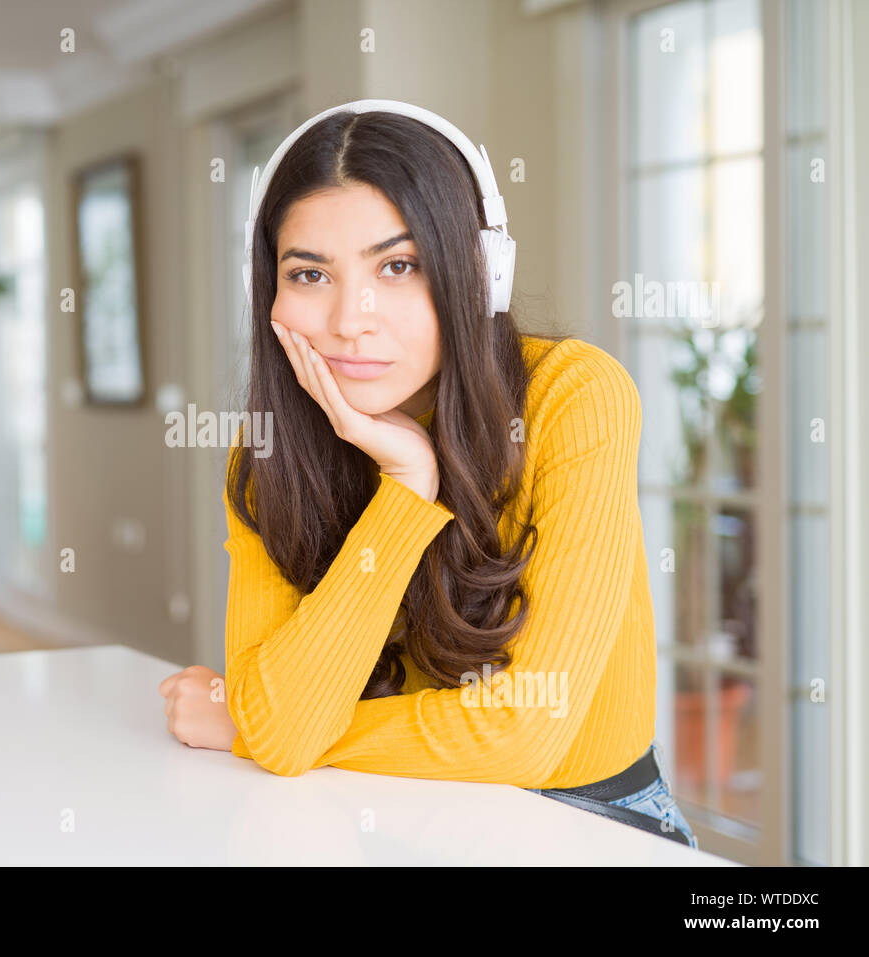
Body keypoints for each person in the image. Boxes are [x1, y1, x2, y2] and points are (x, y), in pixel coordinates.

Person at [158, 100, 696, 849]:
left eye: (399, 265)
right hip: (372, 813)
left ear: (482, 273)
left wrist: (252, 722)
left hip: (587, 823)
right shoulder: (269, 452)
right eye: (310, 272)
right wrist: (407, 484)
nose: (352, 319)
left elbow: (524, 734)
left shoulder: (575, 396)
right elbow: (280, 728)